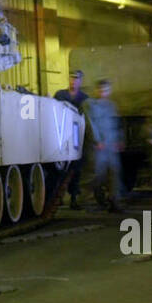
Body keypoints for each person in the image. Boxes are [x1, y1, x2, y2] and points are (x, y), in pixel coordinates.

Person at [80, 78, 125, 211]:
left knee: (114, 173)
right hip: (98, 146)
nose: (103, 92)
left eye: (106, 90)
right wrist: (96, 140)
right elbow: (89, 123)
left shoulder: (111, 105)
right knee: (96, 174)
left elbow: (117, 124)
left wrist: (120, 140)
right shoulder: (89, 104)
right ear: (96, 90)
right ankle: (85, 200)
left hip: (111, 144)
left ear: (109, 91)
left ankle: (114, 202)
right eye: (101, 89)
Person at [55, 70, 90, 207]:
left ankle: (74, 197)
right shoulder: (60, 95)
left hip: (78, 136)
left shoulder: (85, 98)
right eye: (71, 78)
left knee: (76, 169)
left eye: (76, 79)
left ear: (80, 81)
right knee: (60, 169)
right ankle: (58, 197)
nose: (73, 81)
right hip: (62, 136)